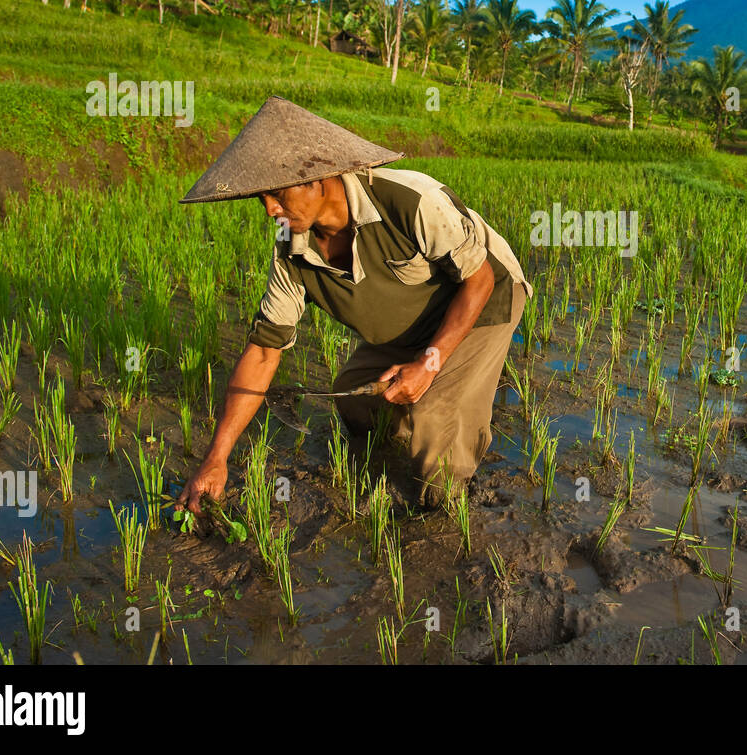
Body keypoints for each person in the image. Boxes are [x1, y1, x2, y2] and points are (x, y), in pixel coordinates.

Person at [176, 96, 530, 513]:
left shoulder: (409, 200)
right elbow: (264, 350)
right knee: (354, 398)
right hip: (411, 323)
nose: (271, 210)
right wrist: (216, 458)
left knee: (434, 425)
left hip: (482, 301)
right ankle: (386, 465)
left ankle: (445, 509)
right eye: (262, 199)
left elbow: (479, 278)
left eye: (277, 194)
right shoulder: (292, 249)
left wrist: (430, 363)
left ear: (318, 179)